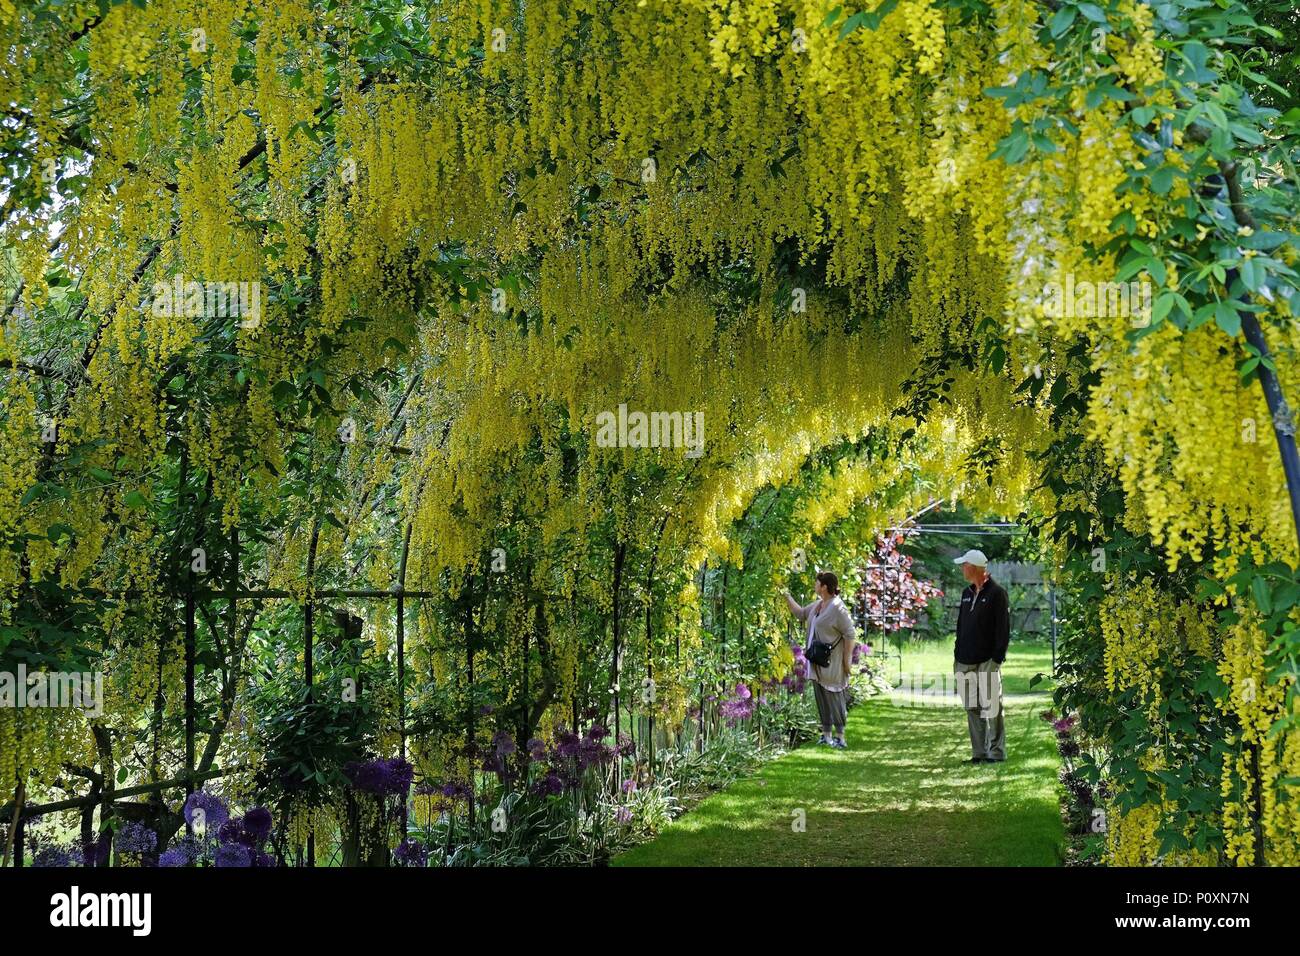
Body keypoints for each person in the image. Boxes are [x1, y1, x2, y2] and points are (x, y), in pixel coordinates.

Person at [780, 571, 857, 749]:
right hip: (816, 659)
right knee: (821, 697)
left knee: (834, 697)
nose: (815, 585)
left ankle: (840, 737)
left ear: (824, 586)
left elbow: (850, 634)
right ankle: (826, 734)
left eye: (817, 583)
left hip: (832, 661)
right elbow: (800, 614)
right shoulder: (818, 605)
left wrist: (846, 661)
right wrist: (786, 595)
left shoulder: (837, 607)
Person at [952, 549, 1010, 764]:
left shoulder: (997, 593)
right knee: (972, 707)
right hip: (964, 660)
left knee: (992, 707)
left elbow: (1003, 629)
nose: (961, 569)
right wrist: (957, 655)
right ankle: (979, 752)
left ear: (974, 567)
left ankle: (996, 753)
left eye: (964, 565)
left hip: (987, 661)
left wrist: (997, 659)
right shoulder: (966, 593)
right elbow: (961, 627)